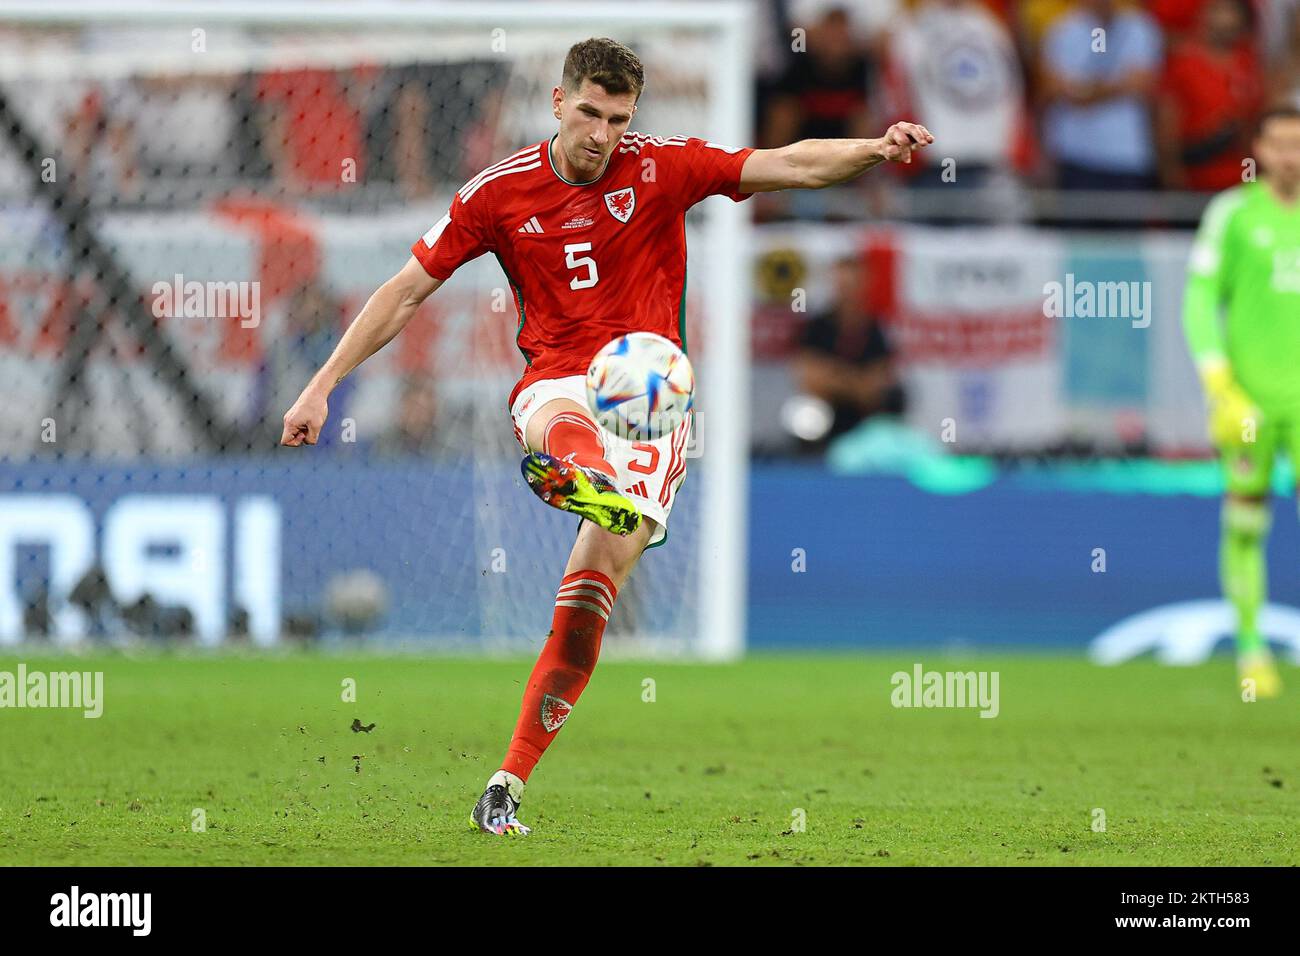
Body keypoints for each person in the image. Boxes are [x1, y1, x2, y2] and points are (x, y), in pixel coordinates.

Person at [280, 37, 933, 835]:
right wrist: (321, 385)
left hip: (653, 397)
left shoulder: (664, 166)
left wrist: (873, 146)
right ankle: (587, 479)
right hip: (558, 379)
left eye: (618, 118)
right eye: (589, 112)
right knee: (559, 414)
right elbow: (408, 290)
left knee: (587, 607)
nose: (602, 133)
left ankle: (505, 783)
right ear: (558, 103)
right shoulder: (498, 194)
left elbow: (790, 165)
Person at [1181, 105, 1300, 699]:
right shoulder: (1232, 214)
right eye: (1279, 145)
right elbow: (1199, 301)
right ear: (1260, 148)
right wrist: (1219, 383)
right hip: (1249, 403)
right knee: (1248, 523)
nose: (1290, 157)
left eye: (1298, 145)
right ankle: (1252, 650)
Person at [794, 255, 903, 451]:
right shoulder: (817, 327)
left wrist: (834, 377)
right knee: (806, 412)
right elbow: (810, 379)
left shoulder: (875, 328)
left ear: (863, 286)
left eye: (851, 285)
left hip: (865, 423)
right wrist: (856, 383)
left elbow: (877, 386)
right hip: (823, 421)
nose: (846, 292)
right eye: (841, 284)